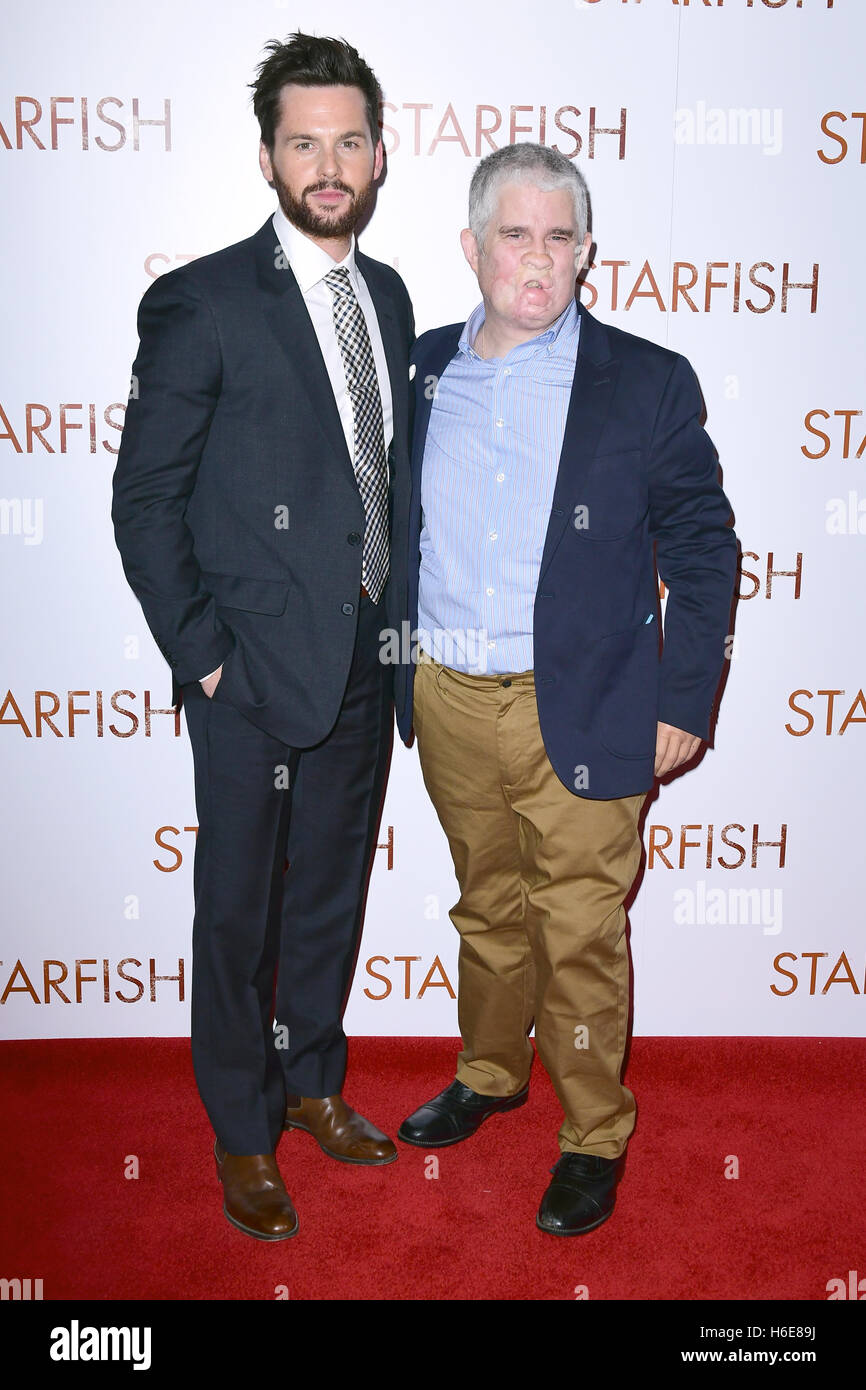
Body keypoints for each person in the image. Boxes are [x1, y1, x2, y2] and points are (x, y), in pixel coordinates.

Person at [392, 143, 736, 1236]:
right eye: (512, 233)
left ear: (585, 251)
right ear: (471, 246)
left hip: (583, 701)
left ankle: (591, 1135)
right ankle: (489, 1073)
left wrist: (683, 697)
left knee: (578, 928)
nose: (533, 259)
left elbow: (701, 543)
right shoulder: (422, 368)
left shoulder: (646, 379)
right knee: (486, 909)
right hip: (446, 690)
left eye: (555, 237)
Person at [112, 32, 414, 1240]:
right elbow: (145, 500)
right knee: (237, 908)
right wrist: (206, 655)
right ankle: (243, 1133)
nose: (327, 163)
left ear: (379, 155)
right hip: (246, 675)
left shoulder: (385, 295)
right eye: (304, 142)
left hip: (358, 663)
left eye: (347, 141)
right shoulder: (199, 302)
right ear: (265, 157)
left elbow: (379, 479)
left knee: (328, 898)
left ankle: (311, 1084)